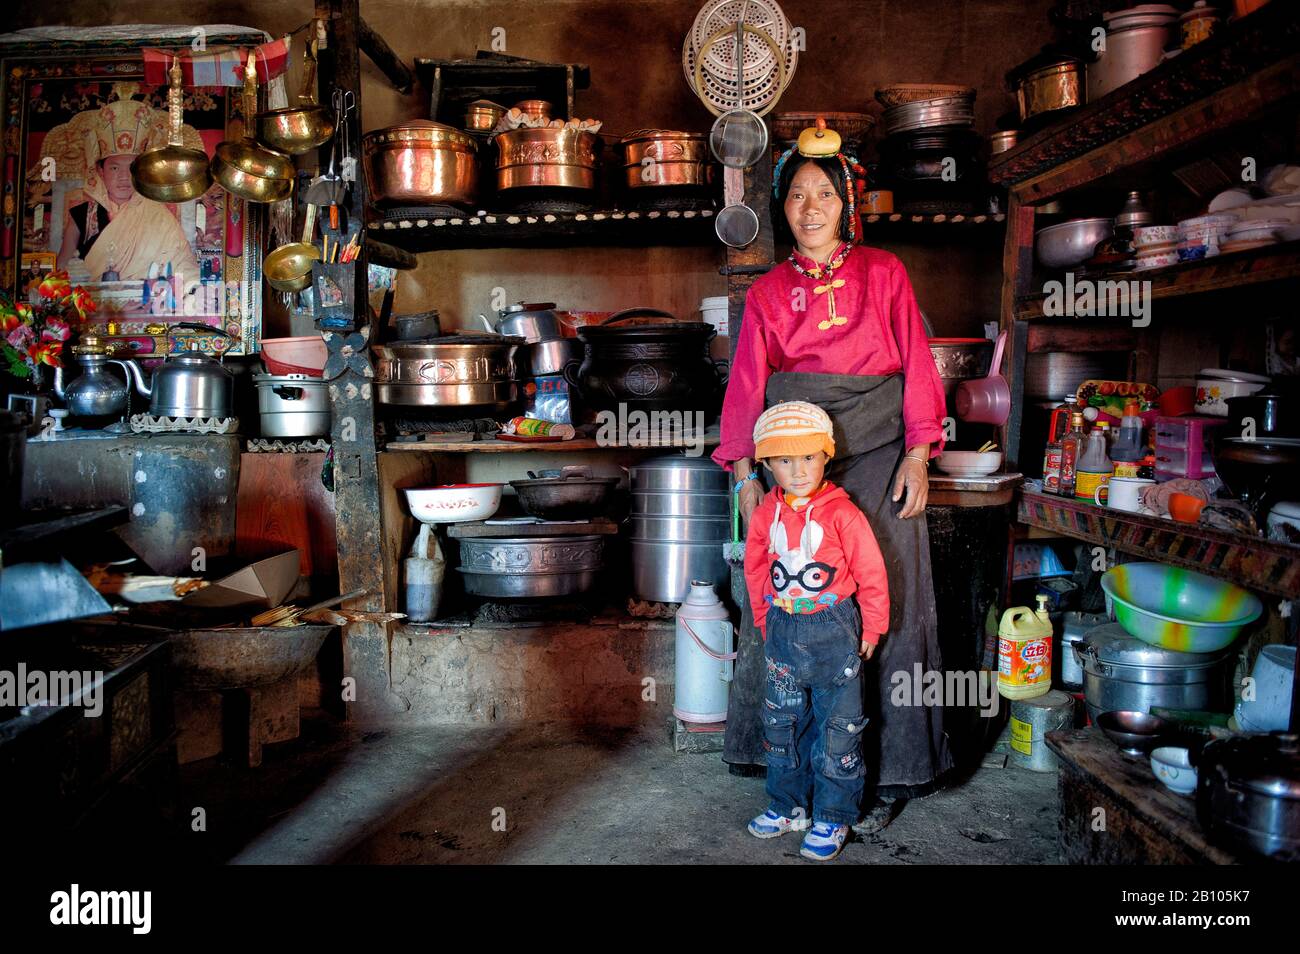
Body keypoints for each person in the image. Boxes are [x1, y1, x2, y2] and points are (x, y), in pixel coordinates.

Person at [713, 123, 952, 833]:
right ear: (782, 208)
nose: (809, 208)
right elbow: (747, 382)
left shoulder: (885, 273)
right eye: (795, 196)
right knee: (785, 592)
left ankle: (890, 771)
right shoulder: (767, 291)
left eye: (824, 194)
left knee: (888, 596)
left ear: (847, 204)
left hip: (879, 451)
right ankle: (782, 764)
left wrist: (918, 453)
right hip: (789, 457)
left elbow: (916, 360)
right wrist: (744, 471)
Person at [743, 402, 889, 861]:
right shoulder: (767, 513)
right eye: (784, 460)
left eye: (808, 457)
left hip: (835, 630)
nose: (798, 469)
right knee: (781, 723)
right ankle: (788, 806)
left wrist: (874, 625)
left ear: (826, 456)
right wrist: (766, 620)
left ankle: (832, 815)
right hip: (783, 626)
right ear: (766, 464)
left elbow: (871, 571)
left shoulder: (843, 514)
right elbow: (754, 568)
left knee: (838, 730)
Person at [53, 93, 200, 289]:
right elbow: (61, 270)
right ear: (100, 171)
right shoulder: (82, 214)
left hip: (145, 307)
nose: (124, 177)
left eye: (131, 168)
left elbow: (184, 266)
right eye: (114, 168)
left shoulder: (157, 214)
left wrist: (192, 291)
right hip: (91, 308)